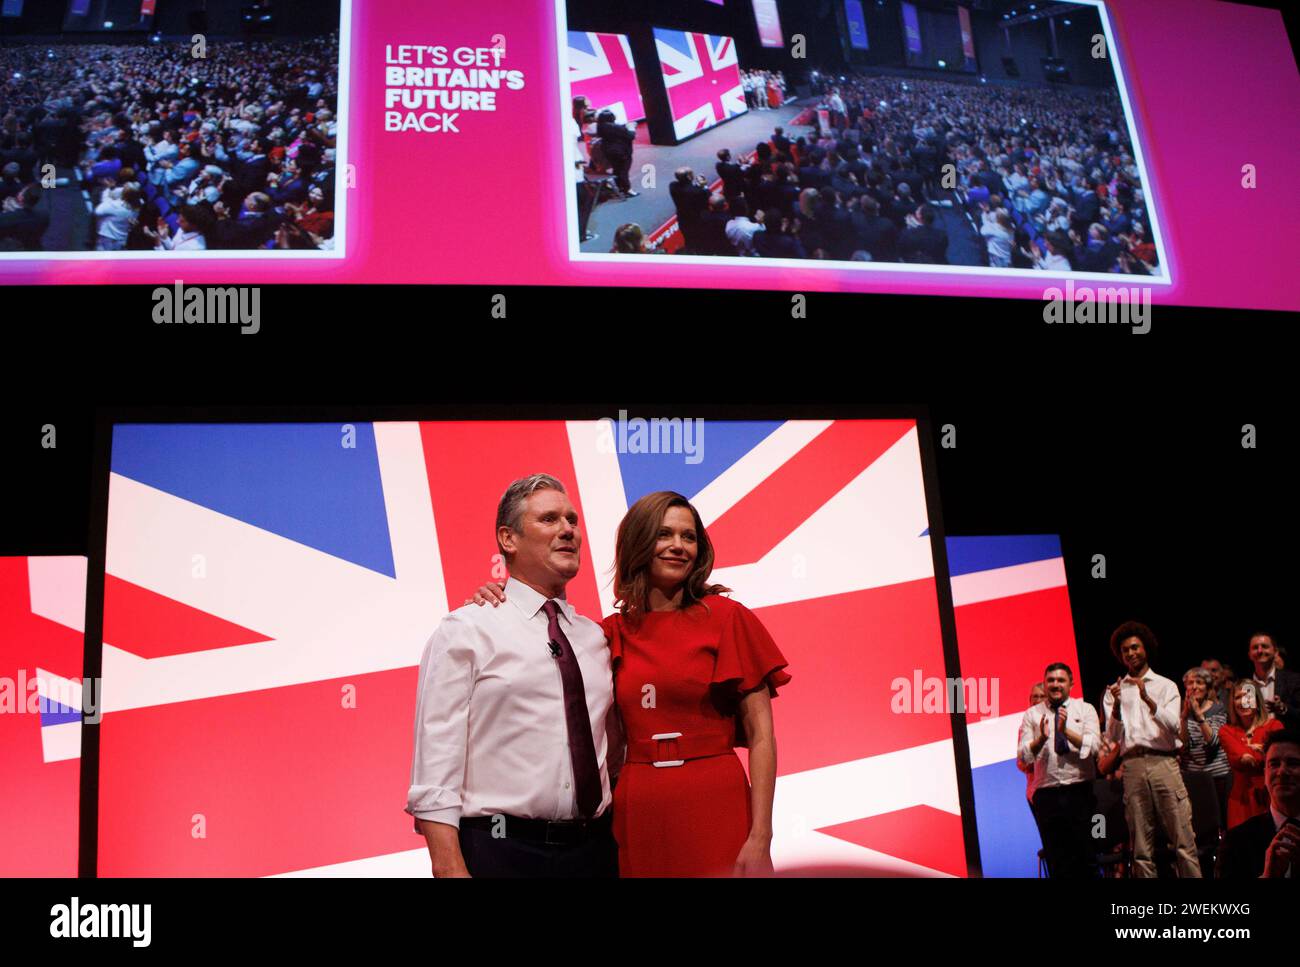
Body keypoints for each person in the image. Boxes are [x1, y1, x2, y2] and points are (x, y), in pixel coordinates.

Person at [471, 490, 790, 876]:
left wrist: (761, 838)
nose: (678, 546)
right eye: (664, 534)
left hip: (714, 800)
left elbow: (762, 737)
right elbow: (542, 631)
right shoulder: (608, 633)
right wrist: (503, 596)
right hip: (638, 807)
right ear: (639, 542)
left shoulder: (728, 618)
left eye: (688, 537)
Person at [406, 474, 620, 877]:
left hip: (594, 851)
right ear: (508, 539)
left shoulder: (595, 638)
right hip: (500, 850)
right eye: (550, 519)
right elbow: (435, 764)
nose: (568, 530)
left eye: (572, 520)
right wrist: (448, 866)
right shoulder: (468, 629)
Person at [1101, 621, 1201, 877]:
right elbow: (1112, 737)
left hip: (1163, 762)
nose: (1131, 653)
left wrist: (1147, 698)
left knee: (1183, 840)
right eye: (1125, 650)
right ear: (1120, 655)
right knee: (1141, 848)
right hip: (1132, 766)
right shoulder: (1114, 691)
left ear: (1145, 648)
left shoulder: (1165, 685)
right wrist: (1115, 709)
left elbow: (1174, 727)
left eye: (1135, 647)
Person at [1018, 663, 1100, 878]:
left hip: (1081, 792)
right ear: (1045, 684)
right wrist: (1041, 739)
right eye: (1051, 680)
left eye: (1060, 680)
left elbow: (1095, 747)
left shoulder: (1086, 709)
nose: (1055, 685)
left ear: (1071, 684)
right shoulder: (1032, 714)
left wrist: (1066, 732)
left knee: (1088, 856)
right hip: (1047, 796)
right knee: (1057, 862)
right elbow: (1023, 756)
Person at [1217, 730, 1300, 878]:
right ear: (1265, 773)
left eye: (1293, 763)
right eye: (1274, 764)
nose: (1282, 771)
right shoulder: (1236, 841)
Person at [1219, 679, 1283, 830]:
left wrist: (1261, 755)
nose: (1243, 701)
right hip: (1240, 801)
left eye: (1248, 695)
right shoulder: (1226, 731)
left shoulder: (1275, 726)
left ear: (1257, 700)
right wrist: (1262, 752)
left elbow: (1278, 760)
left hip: (1270, 797)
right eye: (1238, 697)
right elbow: (1245, 760)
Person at [1179, 666, 1231, 836]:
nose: (1194, 686)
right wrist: (1185, 717)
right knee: (1199, 828)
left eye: (1199, 682)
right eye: (1190, 683)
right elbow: (1182, 746)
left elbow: (1213, 742)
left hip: (1217, 777)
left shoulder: (1217, 709)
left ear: (1208, 688)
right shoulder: (1182, 712)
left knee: (1221, 825)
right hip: (1193, 778)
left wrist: (1199, 716)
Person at [1248, 632, 1300, 731]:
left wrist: (1284, 709)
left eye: (1264, 646)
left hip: (1285, 741)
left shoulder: (1293, 680)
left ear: (1275, 652)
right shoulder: (1244, 684)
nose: (1259, 651)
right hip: (1252, 742)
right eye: (1255, 647)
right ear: (1249, 655)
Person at [595, 110, 637, 198]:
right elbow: (631, 136)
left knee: (617, 169)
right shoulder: (616, 128)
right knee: (624, 170)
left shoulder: (600, 127)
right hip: (622, 152)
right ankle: (627, 190)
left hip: (609, 151)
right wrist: (632, 128)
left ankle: (619, 188)